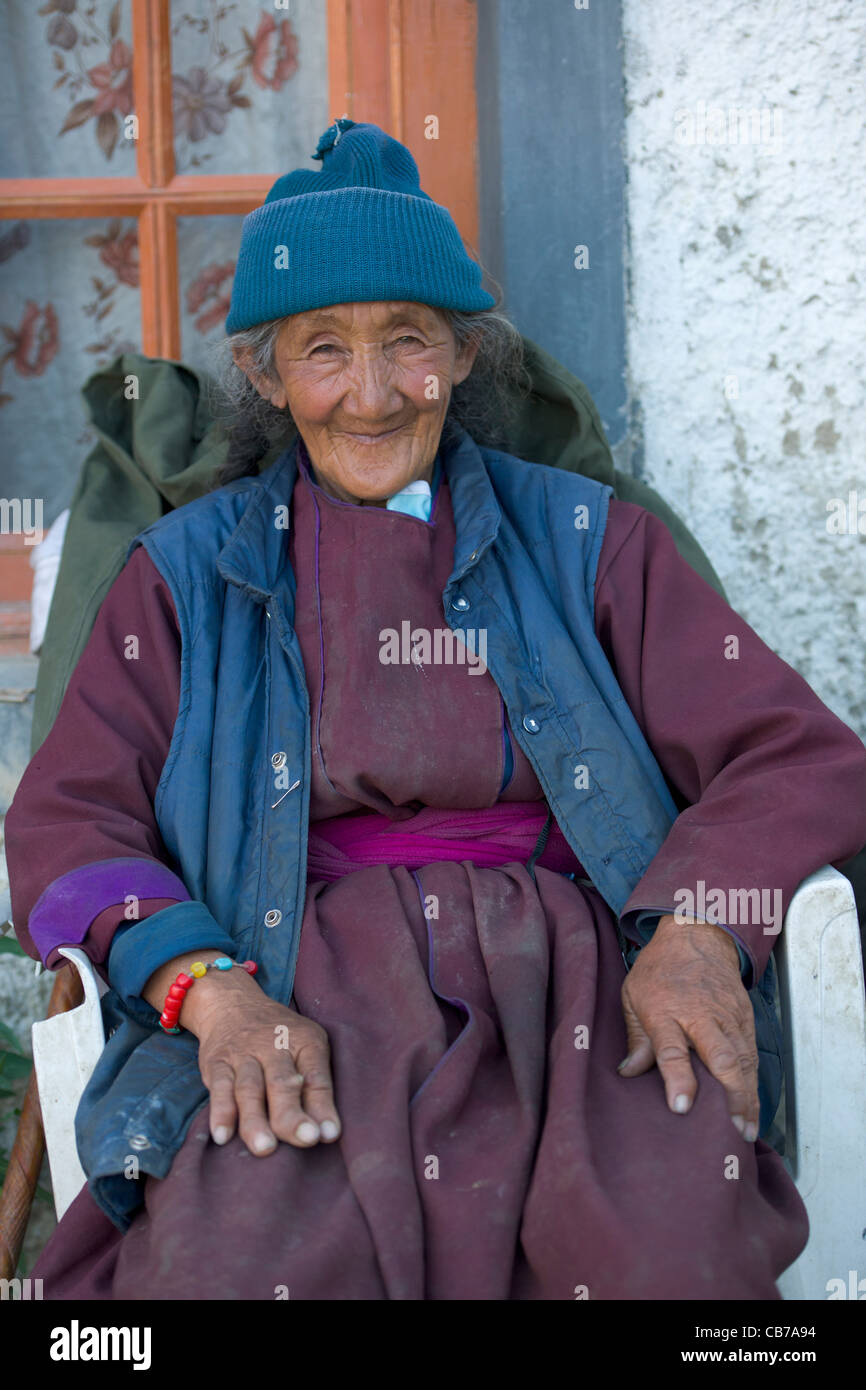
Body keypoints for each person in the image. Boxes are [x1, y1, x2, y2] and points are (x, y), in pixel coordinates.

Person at [6, 119, 866, 1301]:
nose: (368, 394)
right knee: (234, 1267)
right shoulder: (186, 572)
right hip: (289, 991)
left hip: (575, 990)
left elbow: (798, 757)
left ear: (462, 358)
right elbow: (63, 828)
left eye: (406, 343)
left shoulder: (585, 541)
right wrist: (207, 992)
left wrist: (695, 935)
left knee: (668, 1264)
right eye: (323, 350)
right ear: (265, 375)